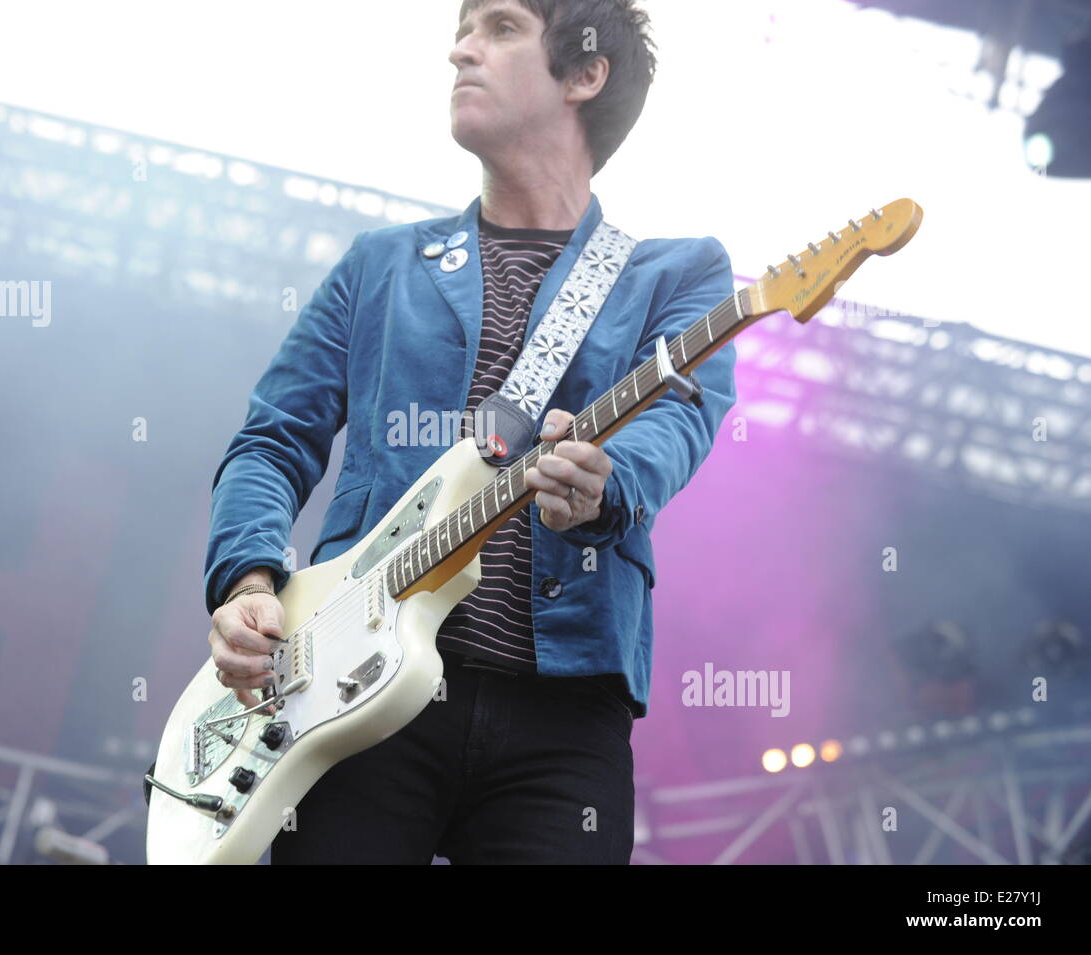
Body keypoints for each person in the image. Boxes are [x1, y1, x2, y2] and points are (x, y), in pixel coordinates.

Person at [204, 0, 737, 864]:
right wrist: (246, 580)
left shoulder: (678, 275)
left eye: (498, 27)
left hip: (562, 718)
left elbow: (679, 415)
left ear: (585, 72)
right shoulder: (382, 263)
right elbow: (271, 440)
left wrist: (610, 482)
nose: (460, 50)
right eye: (462, 29)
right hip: (352, 690)